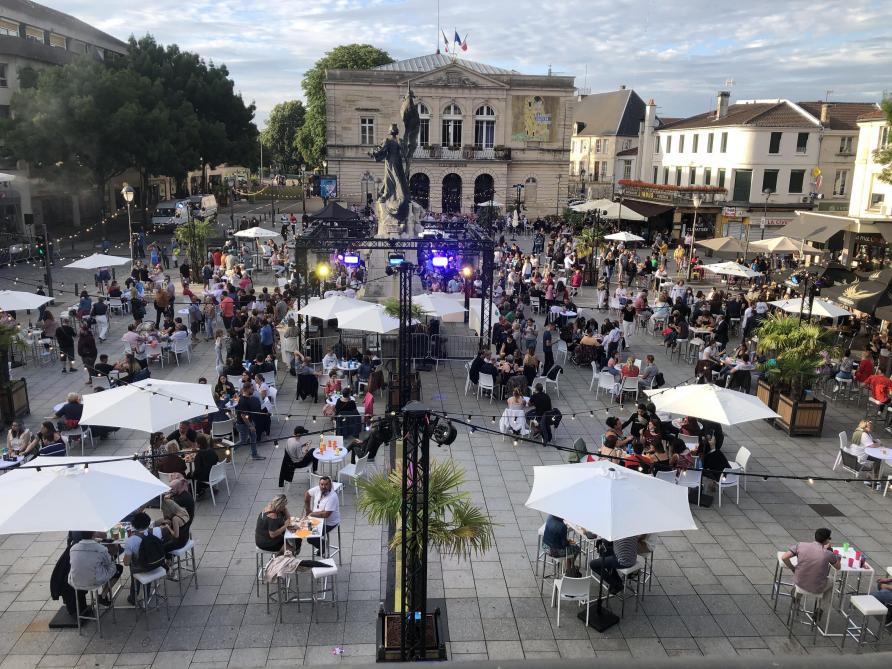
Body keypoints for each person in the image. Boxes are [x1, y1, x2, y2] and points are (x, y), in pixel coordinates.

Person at [781, 528, 841, 614]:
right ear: (826, 540)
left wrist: (792, 568)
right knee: (831, 581)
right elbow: (838, 567)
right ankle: (820, 609)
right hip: (816, 588)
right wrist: (835, 555)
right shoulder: (828, 554)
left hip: (799, 582)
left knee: (803, 573)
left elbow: (784, 557)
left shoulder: (800, 545)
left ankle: (796, 597)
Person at [122, 512, 165, 604]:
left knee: (134, 563)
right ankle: (147, 592)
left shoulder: (131, 541)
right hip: (156, 564)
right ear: (148, 522)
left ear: (133, 525)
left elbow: (126, 562)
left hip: (142, 567)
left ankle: (134, 596)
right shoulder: (157, 531)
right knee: (147, 558)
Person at [69, 534, 122, 609]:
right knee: (118, 568)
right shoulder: (100, 548)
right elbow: (108, 563)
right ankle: (103, 595)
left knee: (99, 568)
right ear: (93, 534)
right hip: (93, 581)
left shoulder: (73, 548)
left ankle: (103, 595)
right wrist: (114, 549)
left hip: (76, 580)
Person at [304, 476, 340, 555]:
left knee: (310, 538)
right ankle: (321, 544)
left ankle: (323, 545)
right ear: (319, 484)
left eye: (326, 484)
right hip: (315, 519)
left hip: (328, 523)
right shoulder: (317, 489)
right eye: (322, 484)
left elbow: (326, 514)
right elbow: (307, 494)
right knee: (303, 531)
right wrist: (307, 510)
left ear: (330, 485)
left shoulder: (332, 497)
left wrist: (311, 514)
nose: (323, 487)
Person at [235, 384, 264, 460]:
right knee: (243, 441)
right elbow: (243, 416)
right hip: (243, 424)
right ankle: (229, 450)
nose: (253, 390)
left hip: (249, 422)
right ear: (247, 389)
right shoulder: (243, 401)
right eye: (251, 389)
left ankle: (254, 455)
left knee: (253, 437)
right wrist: (250, 426)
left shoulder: (247, 398)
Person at [188, 433, 220, 498]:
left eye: (196, 443)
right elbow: (217, 459)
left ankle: (196, 491)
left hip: (207, 476)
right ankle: (201, 488)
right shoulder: (211, 450)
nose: (195, 444)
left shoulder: (199, 455)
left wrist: (192, 474)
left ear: (199, 444)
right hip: (215, 473)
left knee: (189, 475)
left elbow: (198, 470)